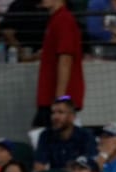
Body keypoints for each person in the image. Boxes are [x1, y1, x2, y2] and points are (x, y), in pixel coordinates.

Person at [34, 0, 85, 129]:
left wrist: (60, 99)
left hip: (57, 100)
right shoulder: (55, 19)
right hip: (51, 99)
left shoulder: (64, 20)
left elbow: (66, 59)